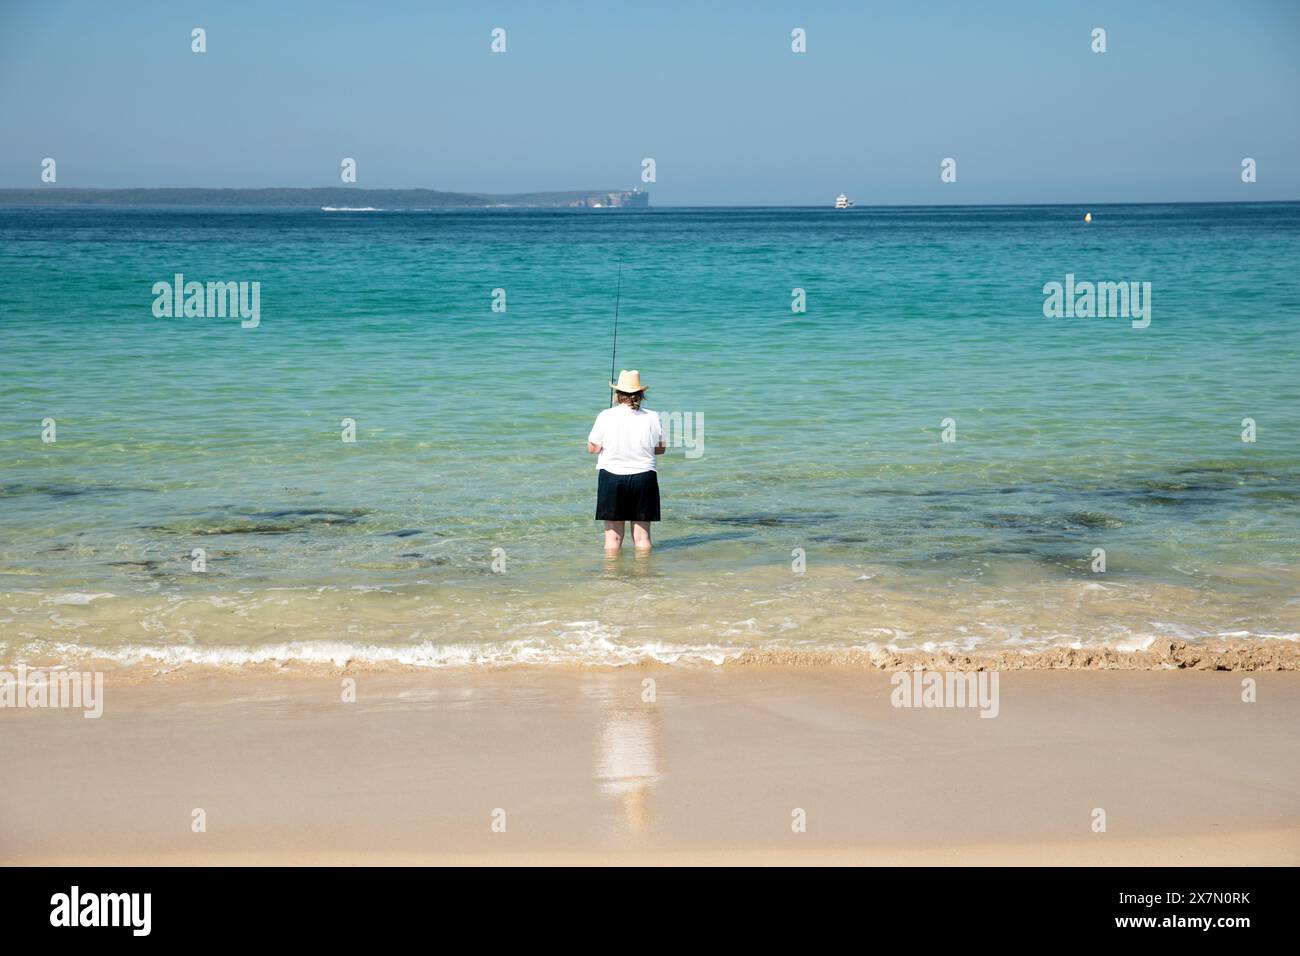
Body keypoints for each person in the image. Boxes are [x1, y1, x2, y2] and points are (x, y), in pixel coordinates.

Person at [587, 370, 665, 552]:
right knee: (643, 538)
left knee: (612, 540)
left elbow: (593, 449)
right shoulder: (653, 416)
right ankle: (644, 578)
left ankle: (612, 577)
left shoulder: (606, 415)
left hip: (612, 478)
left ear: (617, 394)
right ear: (641, 394)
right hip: (644, 477)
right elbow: (660, 449)